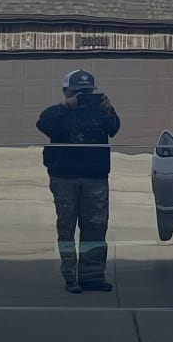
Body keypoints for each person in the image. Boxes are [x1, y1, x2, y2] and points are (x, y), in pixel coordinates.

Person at [36, 68, 121, 294]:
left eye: (87, 92)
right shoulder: (58, 112)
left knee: (95, 228)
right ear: (65, 91)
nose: (82, 97)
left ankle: (92, 277)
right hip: (64, 177)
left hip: (95, 177)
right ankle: (70, 277)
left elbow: (114, 129)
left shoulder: (101, 111)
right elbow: (43, 124)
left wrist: (109, 110)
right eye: (76, 93)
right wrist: (65, 108)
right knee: (67, 228)